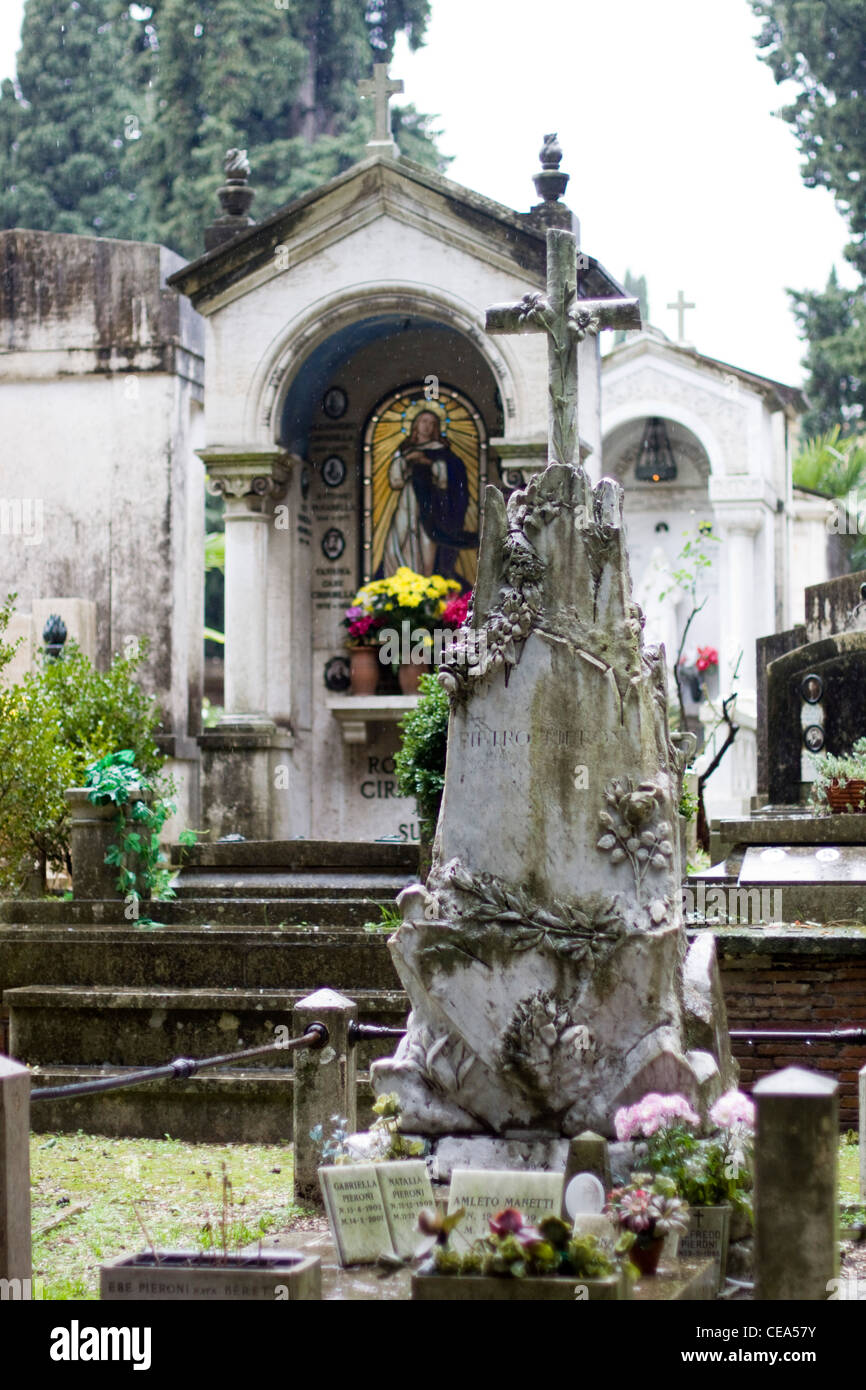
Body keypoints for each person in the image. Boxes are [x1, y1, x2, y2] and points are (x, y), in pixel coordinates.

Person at [382, 409, 477, 580]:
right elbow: (396, 481)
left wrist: (428, 463)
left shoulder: (441, 451)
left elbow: (446, 481)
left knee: (426, 544)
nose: (427, 426)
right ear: (416, 425)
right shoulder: (405, 449)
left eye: (432, 423)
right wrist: (406, 460)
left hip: (430, 504)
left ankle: (423, 585)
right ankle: (396, 584)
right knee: (394, 542)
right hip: (408, 499)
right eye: (424, 421)